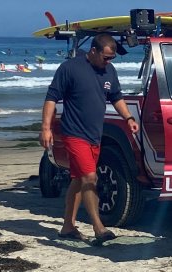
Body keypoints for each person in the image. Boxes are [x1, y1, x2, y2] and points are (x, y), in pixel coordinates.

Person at [40, 34, 139, 244]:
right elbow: (51, 98)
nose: (108, 62)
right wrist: (46, 129)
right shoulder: (70, 68)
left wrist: (129, 118)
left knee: (78, 180)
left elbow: (116, 97)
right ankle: (98, 227)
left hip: (95, 135)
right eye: (106, 57)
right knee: (90, 178)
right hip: (74, 133)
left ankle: (68, 227)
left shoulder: (109, 71)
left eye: (111, 58)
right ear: (93, 51)